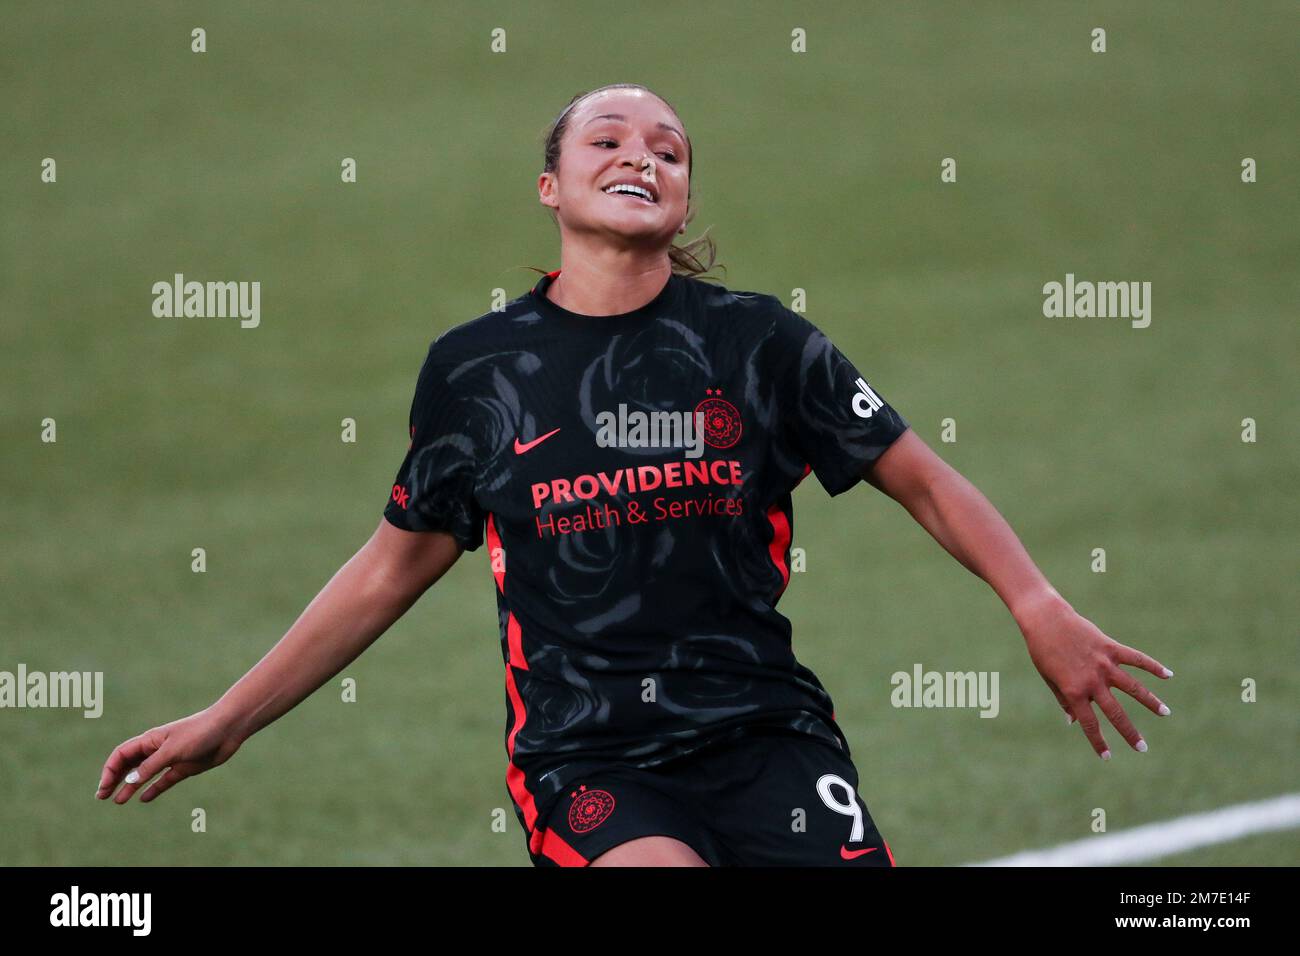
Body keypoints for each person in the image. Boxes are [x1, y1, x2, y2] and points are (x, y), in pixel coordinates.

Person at [96, 83, 1174, 867]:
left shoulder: (758, 342)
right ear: (550, 185)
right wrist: (227, 719)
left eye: (668, 148)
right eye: (607, 138)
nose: (641, 156)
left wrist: (1035, 601)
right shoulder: (476, 371)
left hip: (768, 733)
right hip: (589, 753)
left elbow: (924, 478)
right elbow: (391, 567)